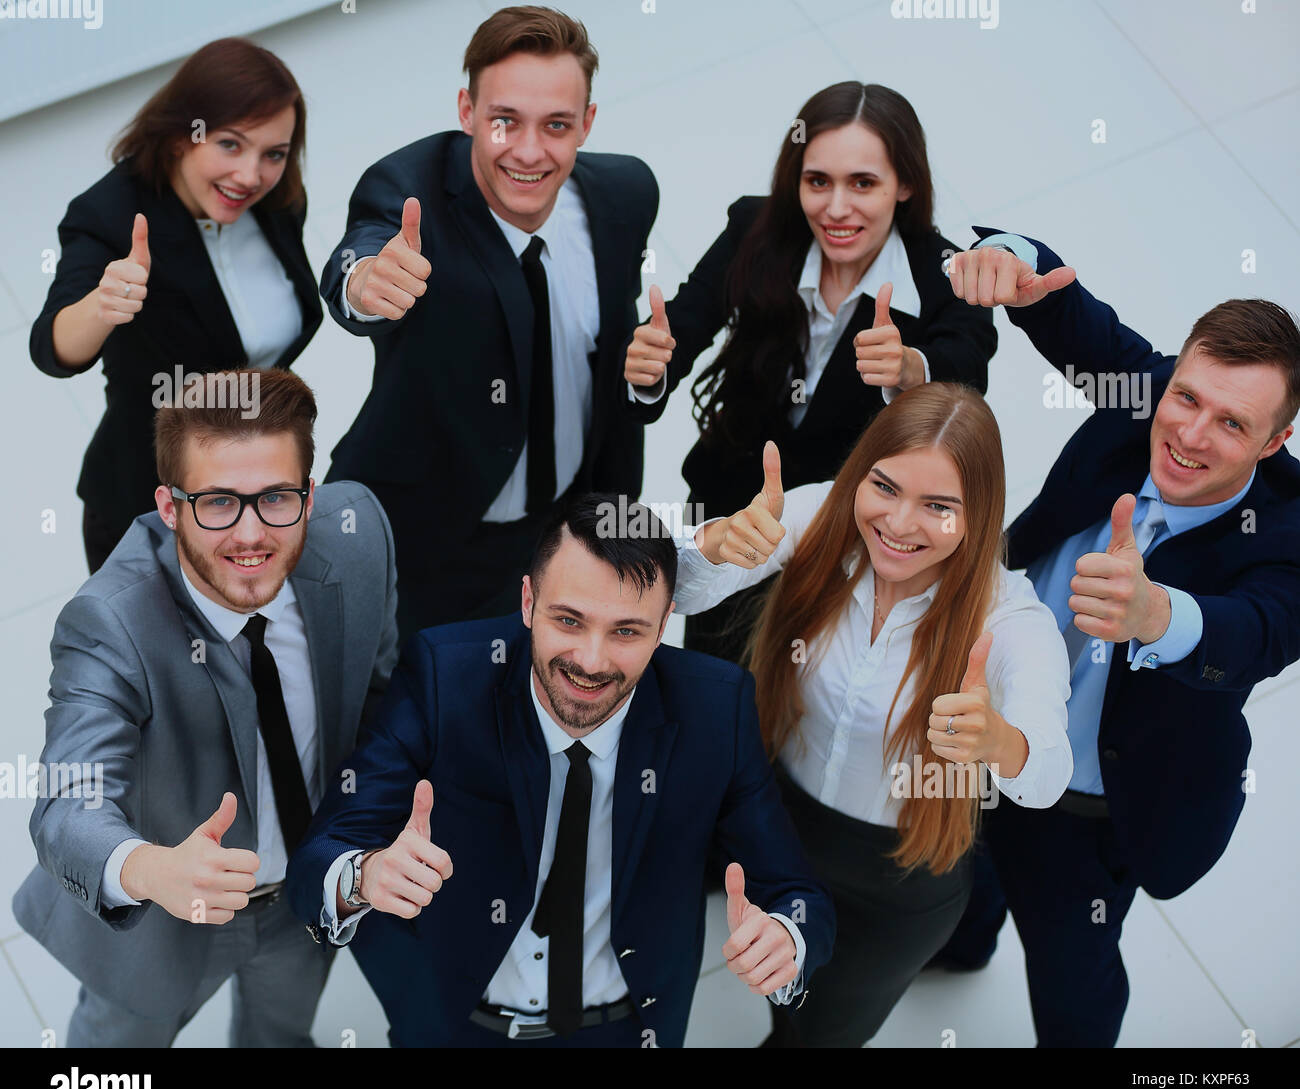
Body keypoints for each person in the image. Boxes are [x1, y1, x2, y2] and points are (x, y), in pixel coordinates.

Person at [286, 494, 835, 1048]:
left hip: (629, 1029)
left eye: (626, 631)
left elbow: (794, 891)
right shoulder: (442, 674)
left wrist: (787, 938)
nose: (591, 662)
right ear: (528, 602)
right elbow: (322, 854)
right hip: (450, 1023)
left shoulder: (717, 710)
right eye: (569, 620)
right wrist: (364, 877)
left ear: (666, 624)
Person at [930, 234, 1300, 1046]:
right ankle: (960, 946)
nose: (1191, 434)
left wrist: (1159, 617)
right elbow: (1061, 304)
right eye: (1187, 398)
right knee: (964, 867)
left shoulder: (1285, 535)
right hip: (990, 724)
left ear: (1274, 444)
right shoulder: (1148, 393)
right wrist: (1007, 254)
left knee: (1072, 976)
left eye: (1233, 424)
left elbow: (1258, 630)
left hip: (1090, 808)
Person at [673, 383, 1072, 1047]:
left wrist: (1000, 740)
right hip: (779, 823)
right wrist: (715, 546)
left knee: (817, 1031)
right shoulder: (819, 513)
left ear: (978, 515)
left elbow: (1048, 770)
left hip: (899, 881)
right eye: (884, 486)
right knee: (769, 977)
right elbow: (677, 592)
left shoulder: (1014, 620)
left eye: (938, 506)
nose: (900, 522)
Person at [11, 369, 399, 1047]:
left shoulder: (359, 534)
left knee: (278, 1038)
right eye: (218, 501)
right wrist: (147, 868)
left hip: (302, 900)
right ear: (168, 506)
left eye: (275, 496)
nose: (250, 534)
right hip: (158, 918)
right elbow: (68, 802)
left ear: (309, 496)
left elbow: (380, 700)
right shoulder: (110, 621)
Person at [623, 81, 996, 665]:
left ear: (906, 184)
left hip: (851, 534)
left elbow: (968, 368)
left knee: (802, 690)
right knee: (710, 672)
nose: (836, 208)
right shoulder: (757, 227)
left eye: (863, 183)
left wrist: (908, 368)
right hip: (734, 503)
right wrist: (649, 367)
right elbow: (684, 326)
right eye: (817, 181)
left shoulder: (946, 271)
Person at [320, 6, 658, 643]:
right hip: (439, 537)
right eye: (504, 121)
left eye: (556, 125)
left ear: (586, 123)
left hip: (572, 526)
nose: (529, 151)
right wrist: (364, 283)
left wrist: (643, 374)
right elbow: (358, 256)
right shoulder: (406, 187)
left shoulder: (626, 193)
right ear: (466, 111)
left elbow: (609, 351)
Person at [29, 38, 322, 573]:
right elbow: (51, 345)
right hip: (151, 500)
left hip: (261, 487)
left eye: (273, 153)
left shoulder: (277, 202)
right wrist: (103, 304)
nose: (250, 175)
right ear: (180, 135)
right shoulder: (111, 212)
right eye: (230, 145)